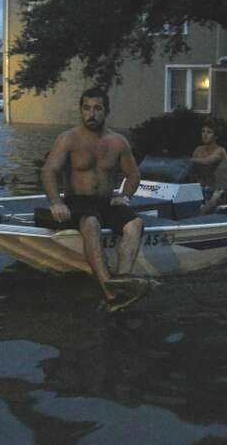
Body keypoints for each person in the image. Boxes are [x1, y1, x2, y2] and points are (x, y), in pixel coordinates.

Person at [41, 87, 146, 309]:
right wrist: (56, 202)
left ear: (106, 111)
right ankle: (110, 293)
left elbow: (133, 174)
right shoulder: (68, 139)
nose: (91, 114)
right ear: (80, 110)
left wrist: (125, 196)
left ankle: (122, 282)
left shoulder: (118, 141)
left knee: (135, 224)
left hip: (107, 201)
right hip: (77, 202)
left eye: (97, 108)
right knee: (90, 223)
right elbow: (49, 171)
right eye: (87, 108)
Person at [191, 120, 227, 216]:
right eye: (203, 131)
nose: (205, 135)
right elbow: (192, 170)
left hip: (218, 193)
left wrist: (186, 160)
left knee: (198, 215)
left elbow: (207, 161)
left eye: (209, 132)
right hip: (201, 190)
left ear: (216, 136)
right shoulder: (198, 150)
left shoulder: (220, 151)